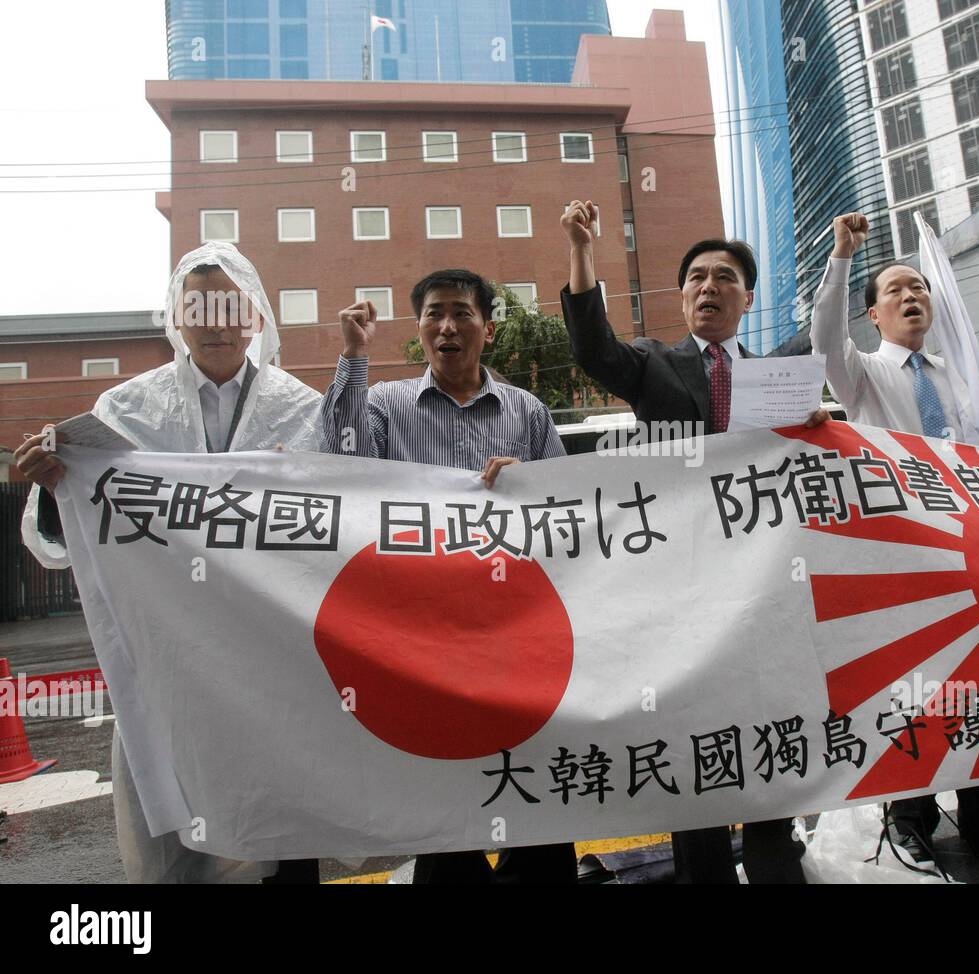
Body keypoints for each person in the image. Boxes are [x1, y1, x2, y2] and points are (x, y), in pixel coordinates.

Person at [16, 241, 323, 883]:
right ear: (175, 319)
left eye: (229, 305)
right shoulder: (123, 412)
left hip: (269, 653)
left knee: (285, 831)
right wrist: (52, 491)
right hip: (164, 657)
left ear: (256, 317)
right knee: (175, 843)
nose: (214, 321)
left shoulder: (303, 411)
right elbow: (67, 532)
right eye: (197, 306)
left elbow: (338, 519)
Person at [560, 198, 818, 884]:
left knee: (768, 730)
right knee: (695, 737)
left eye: (724, 277)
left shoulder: (780, 378)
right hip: (682, 589)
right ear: (682, 296)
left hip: (766, 587)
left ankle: (773, 859)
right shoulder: (653, 364)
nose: (709, 286)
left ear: (747, 298)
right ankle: (702, 873)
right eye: (697, 277)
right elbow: (593, 350)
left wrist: (814, 426)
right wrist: (585, 254)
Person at [811, 212, 979, 865]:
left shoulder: (965, 378)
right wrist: (840, 256)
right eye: (895, 290)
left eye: (919, 286)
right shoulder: (863, 375)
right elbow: (823, 337)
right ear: (873, 315)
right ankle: (911, 818)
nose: (911, 296)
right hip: (908, 557)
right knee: (919, 691)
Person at [320, 267, 575, 884]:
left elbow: (570, 518)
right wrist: (354, 357)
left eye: (462, 312)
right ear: (419, 330)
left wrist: (531, 485)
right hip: (424, 639)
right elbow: (341, 463)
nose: (447, 326)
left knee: (532, 799)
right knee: (445, 807)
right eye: (434, 313)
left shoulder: (528, 412)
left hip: (516, 634)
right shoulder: (386, 403)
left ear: (487, 327)